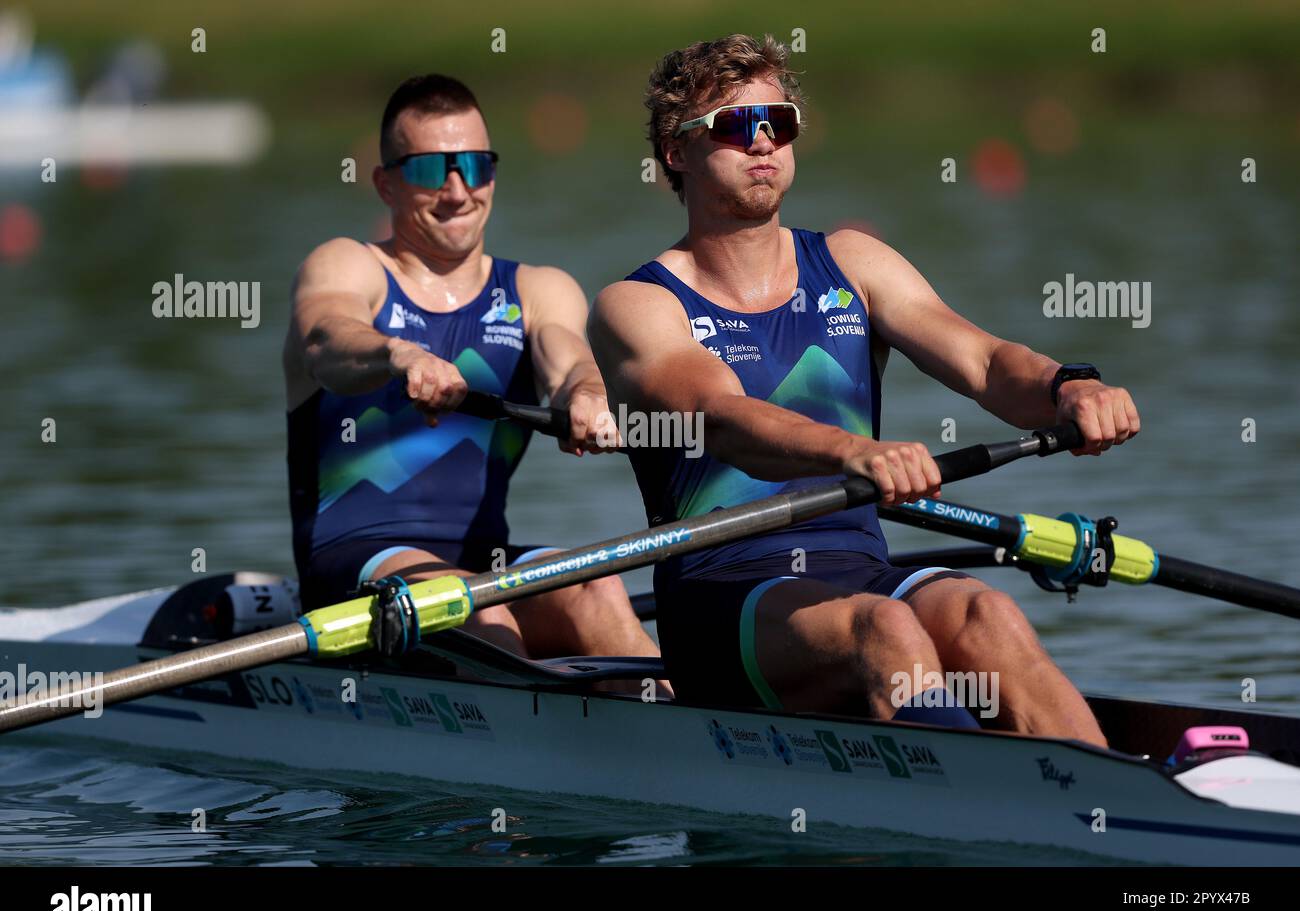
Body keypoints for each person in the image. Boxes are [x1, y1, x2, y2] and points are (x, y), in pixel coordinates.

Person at [589, 36, 1139, 741]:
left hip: (859, 570)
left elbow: (985, 363)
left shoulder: (851, 261)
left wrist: (1068, 386)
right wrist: (851, 450)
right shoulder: (639, 305)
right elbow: (721, 418)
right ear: (675, 151)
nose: (762, 141)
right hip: (722, 599)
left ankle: (1106, 801)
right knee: (887, 633)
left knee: (986, 614)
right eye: (732, 125)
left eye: (778, 122)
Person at [284, 74, 659, 669]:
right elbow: (326, 341)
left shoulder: (539, 288)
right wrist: (399, 355)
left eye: (475, 166)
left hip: (482, 566)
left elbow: (568, 365)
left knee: (599, 587)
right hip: (352, 564)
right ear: (385, 183)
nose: (458, 191)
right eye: (432, 170)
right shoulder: (348, 266)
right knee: (479, 611)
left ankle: (668, 728)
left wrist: (587, 396)